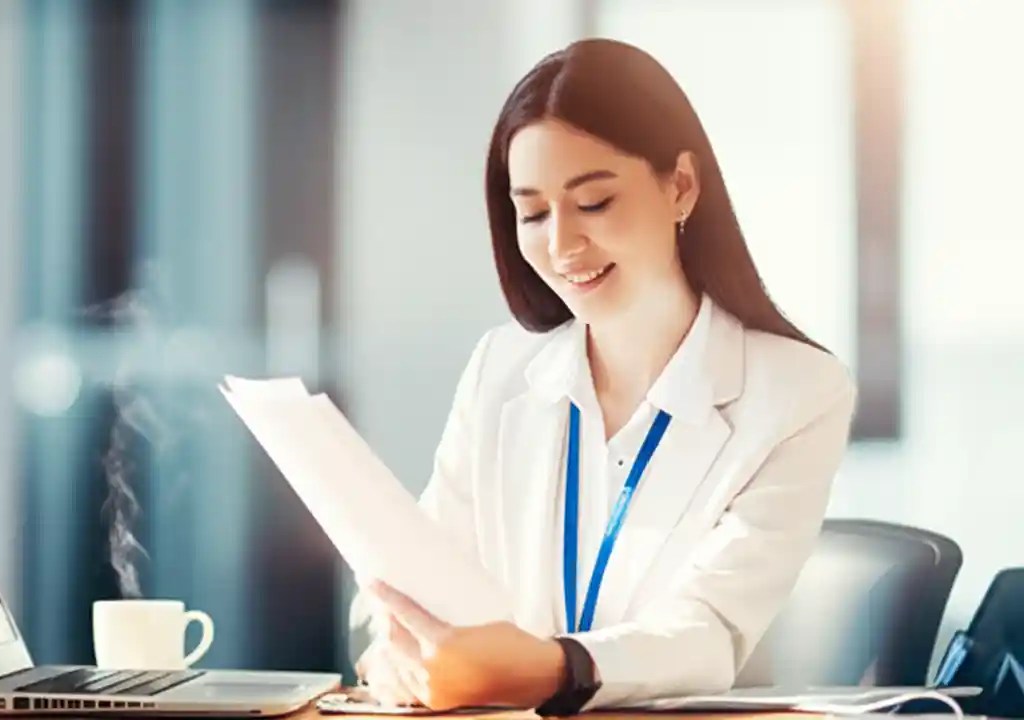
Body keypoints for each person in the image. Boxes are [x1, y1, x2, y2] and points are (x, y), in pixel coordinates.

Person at [352, 38, 858, 715]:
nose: (561, 246)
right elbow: (414, 583)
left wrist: (549, 668)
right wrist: (399, 654)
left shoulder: (798, 392)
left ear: (681, 186)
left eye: (593, 203)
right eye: (532, 213)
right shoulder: (500, 371)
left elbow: (709, 633)